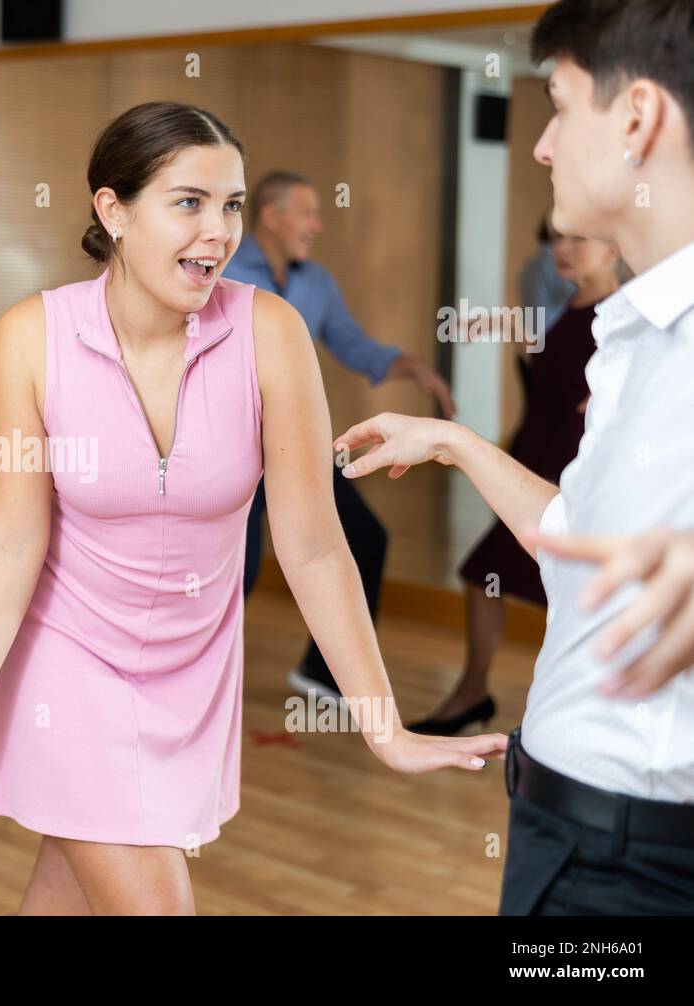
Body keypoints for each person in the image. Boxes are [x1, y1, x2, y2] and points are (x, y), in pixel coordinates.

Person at [0, 101, 504, 916]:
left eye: (232, 204)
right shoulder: (32, 338)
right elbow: (9, 544)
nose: (218, 231)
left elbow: (314, 546)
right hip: (64, 664)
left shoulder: (270, 334)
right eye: (189, 202)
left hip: (191, 673)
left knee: (65, 899)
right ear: (113, 210)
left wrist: (382, 726)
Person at [334, 0, 694, 914]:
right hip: (563, 828)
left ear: (639, 118)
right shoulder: (629, 333)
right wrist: (452, 443)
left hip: (639, 857)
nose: (540, 146)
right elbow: (572, 539)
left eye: (560, 105)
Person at [221, 171, 455, 699]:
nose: (317, 224)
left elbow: (350, 343)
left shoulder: (316, 283)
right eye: (306, 213)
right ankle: (191, 684)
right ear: (271, 216)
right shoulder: (225, 271)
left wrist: (410, 367)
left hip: (293, 448)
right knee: (241, 569)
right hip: (229, 448)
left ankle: (323, 673)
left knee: (367, 539)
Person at [410, 233, 621, 735]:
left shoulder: (622, 319)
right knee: (487, 574)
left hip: (572, 481)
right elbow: (545, 366)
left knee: (568, 594)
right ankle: (474, 692)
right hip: (532, 465)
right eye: (557, 241)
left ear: (613, 247)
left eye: (578, 240)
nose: (562, 250)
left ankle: (552, 715)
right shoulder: (562, 310)